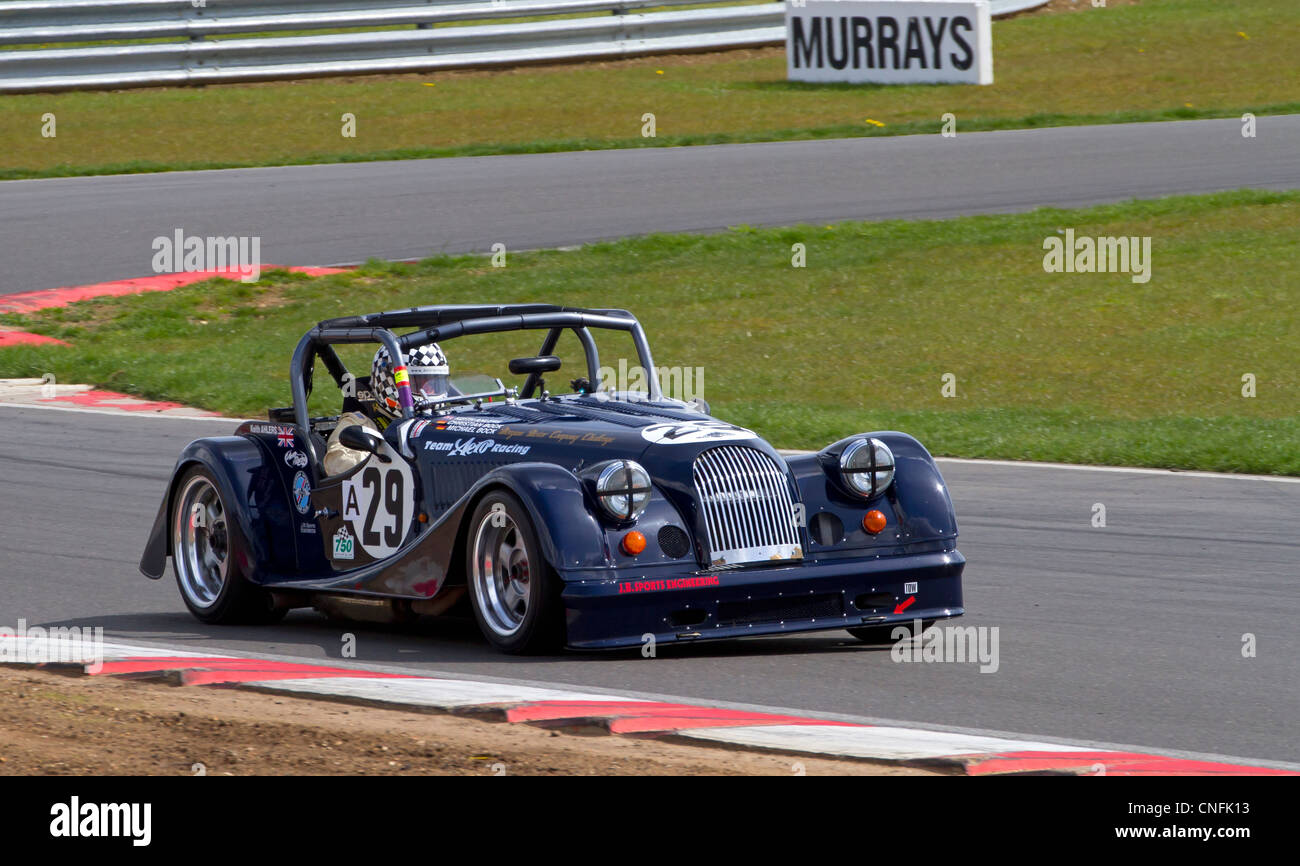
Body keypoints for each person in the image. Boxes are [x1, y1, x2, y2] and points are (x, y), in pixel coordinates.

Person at [323, 343, 451, 476]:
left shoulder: (445, 417)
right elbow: (335, 463)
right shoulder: (359, 423)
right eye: (418, 384)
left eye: (434, 384)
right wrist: (381, 459)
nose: (429, 392)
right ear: (387, 383)